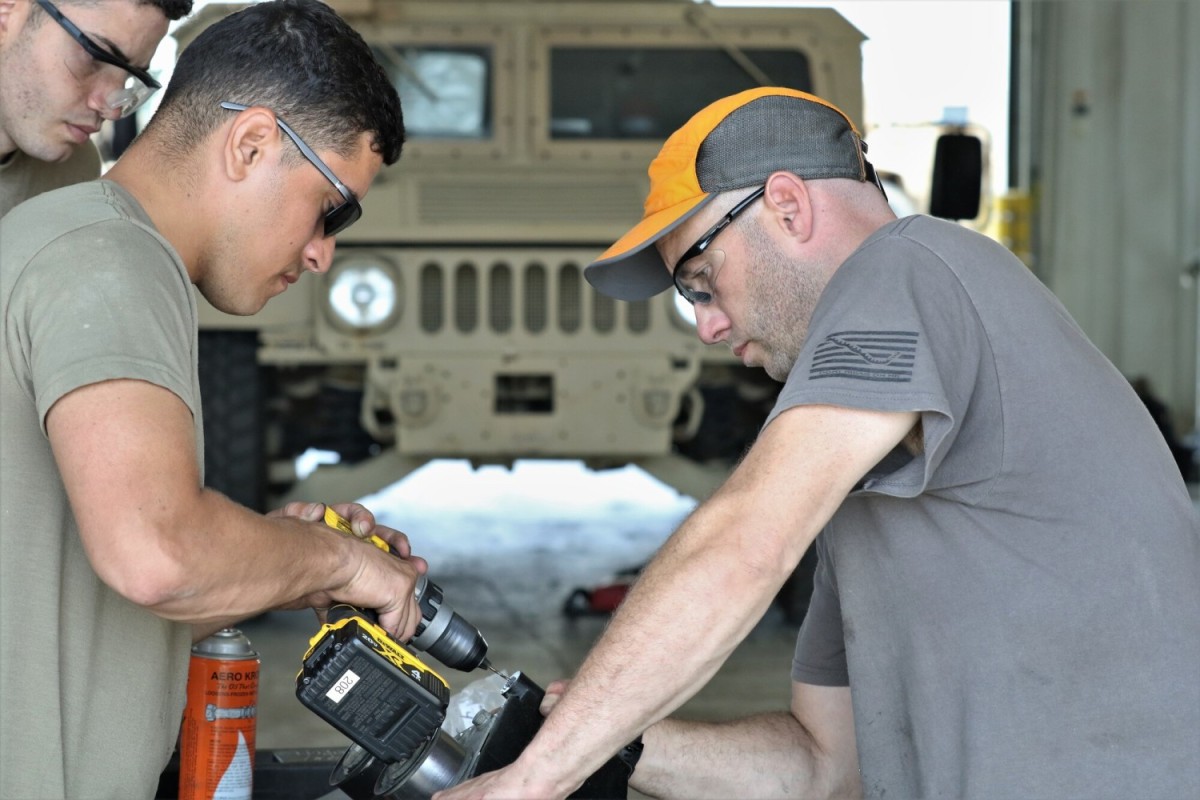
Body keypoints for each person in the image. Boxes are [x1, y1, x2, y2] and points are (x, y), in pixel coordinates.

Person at [437, 87, 1200, 799]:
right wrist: (605, 737)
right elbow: (824, 765)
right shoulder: (871, 482)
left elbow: (743, 544)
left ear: (787, 206)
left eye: (702, 281)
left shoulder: (906, 268)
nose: (707, 326)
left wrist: (533, 780)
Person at [0, 1, 420, 797]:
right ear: (251, 143)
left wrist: (282, 561)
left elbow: (76, 592)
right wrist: (339, 560)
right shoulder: (107, 260)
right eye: (331, 209)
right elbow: (157, 556)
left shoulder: (88, 243)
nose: (322, 254)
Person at [0, 0, 192, 218]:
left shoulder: (75, 174)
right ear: (6, 15)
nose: (112, 111)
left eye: (130, 77)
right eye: (93, 56)